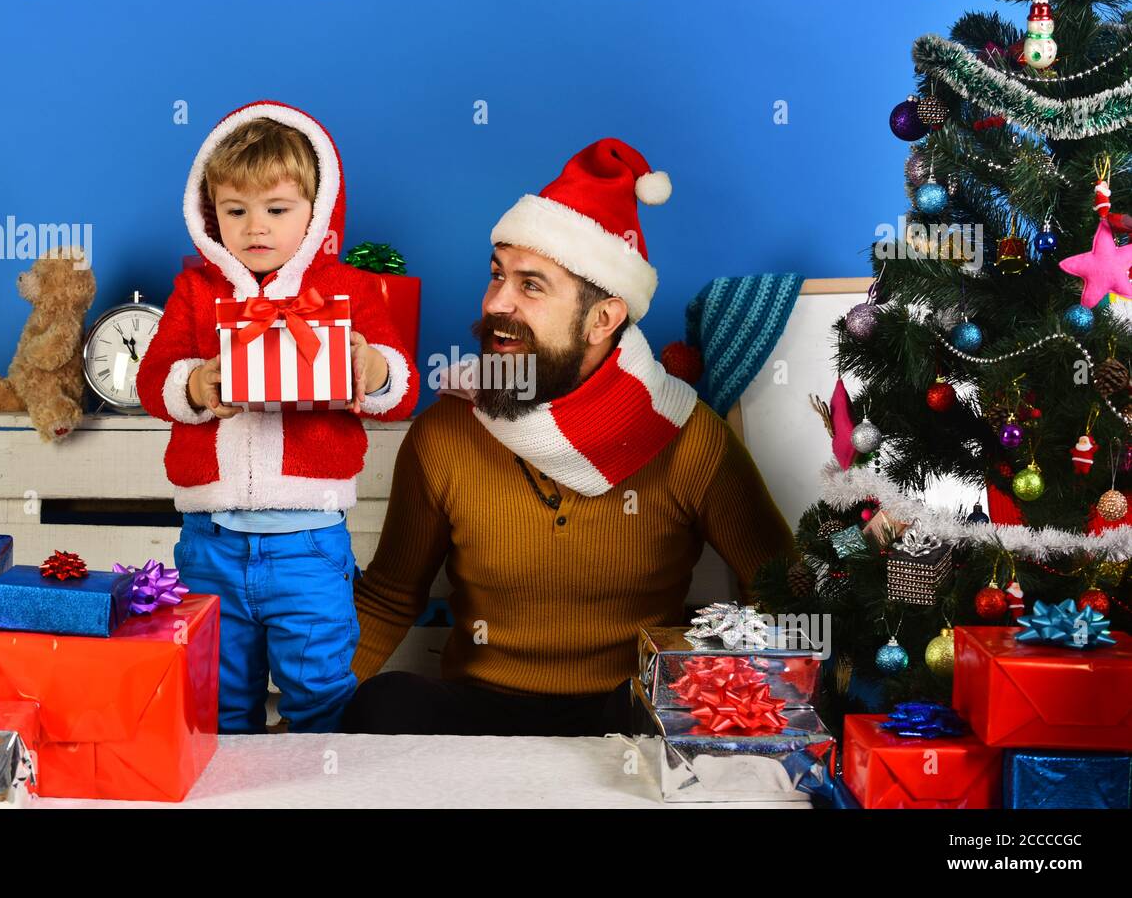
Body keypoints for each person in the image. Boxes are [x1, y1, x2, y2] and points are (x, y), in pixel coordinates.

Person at [341, 138, 794, 737]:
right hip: (482, 709)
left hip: (630, 710)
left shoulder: (687, 437)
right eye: (497, 275)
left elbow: (782, 590)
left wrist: (705, 671)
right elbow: (390, 596)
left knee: (682, 718)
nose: (497, 303)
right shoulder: (449, 430)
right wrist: (311, 725)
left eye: (531, 286)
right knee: (387, 704)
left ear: (603, 318)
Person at [136, 100, 418, 734]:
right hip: (211, 540)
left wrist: (369, 369)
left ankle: (319, 790)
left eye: (277, 210)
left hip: (308, 542)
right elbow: (152, 381)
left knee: (318, 686)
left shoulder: (345, 290)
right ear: (211, 215)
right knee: (218, 696)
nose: (255, 228)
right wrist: (197, 382)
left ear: (315, 213)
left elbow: (401, 390)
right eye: (236, 211)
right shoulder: (194, 292)